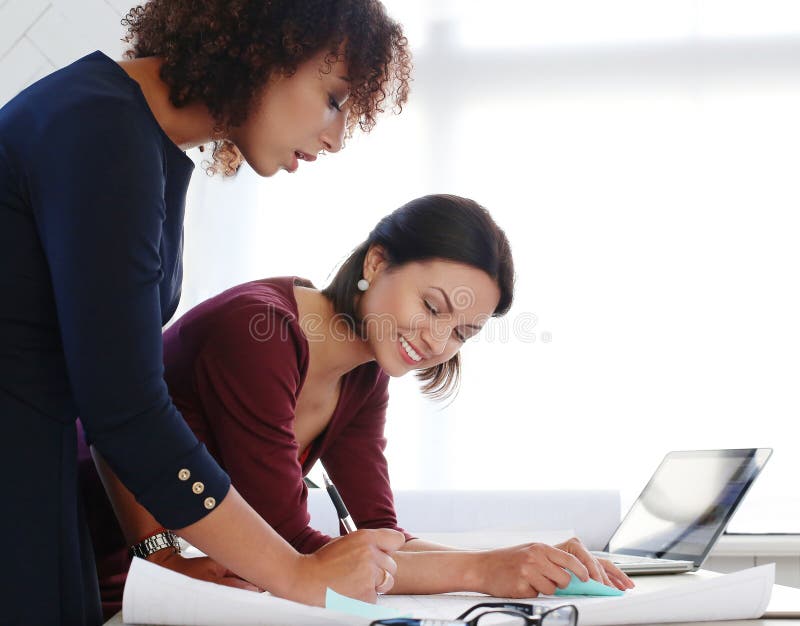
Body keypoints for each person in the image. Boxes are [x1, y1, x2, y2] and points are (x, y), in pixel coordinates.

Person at [0, 0, 411, 623]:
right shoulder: (101, 129)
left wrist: (157, 550)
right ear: (267, 45)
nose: (335, 138)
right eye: (333, 98)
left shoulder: (142, 145)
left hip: (36, 485)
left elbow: (108, 384)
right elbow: (128, 410)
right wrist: (294, 574)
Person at [85, 194, 634, 615]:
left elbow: (379, 531)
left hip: (184, 582)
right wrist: (486, 568)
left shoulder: (365, 374)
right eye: (432, 306)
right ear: (377, 261)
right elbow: (296, 549)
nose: (439, 343)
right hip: (101, 573)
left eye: (462, 333)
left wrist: (534, 562)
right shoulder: (261, 335)